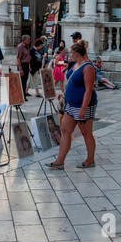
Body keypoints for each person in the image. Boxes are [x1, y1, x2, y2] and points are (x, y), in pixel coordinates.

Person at [49, 41, 97, 169]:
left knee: (86, 133)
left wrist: (83, 108)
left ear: (76, 53)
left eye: (71, 53)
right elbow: (71, 81)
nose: (69, 55)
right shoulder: (76, 64)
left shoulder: (88, 67)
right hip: (71, 104)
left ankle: (90, 160)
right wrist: (65, 94)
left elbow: (89, 90)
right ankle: (59, 161)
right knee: (65, 130)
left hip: (83, 105)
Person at [16, 35, 32, 100]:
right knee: (22, 81)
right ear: (24, 40)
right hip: (22, 65)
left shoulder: (27, 47)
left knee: (25, 81)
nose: (29, 41)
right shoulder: (20, 47)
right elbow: (18, 58)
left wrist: (29, 66)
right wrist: (20, 69)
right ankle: (22, 96)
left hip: (26, 65)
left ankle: (24, 95)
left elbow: (28, 57)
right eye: (28, 40)